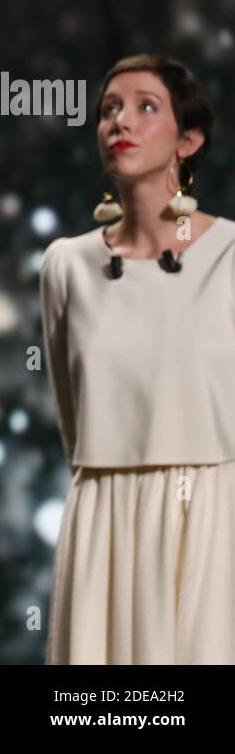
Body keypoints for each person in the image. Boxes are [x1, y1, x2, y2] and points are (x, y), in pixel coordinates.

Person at [40, 54, 235, 664]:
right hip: (103, 516)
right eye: (108, 110)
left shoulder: (230, 253)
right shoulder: (66, 264)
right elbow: (73, 419)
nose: (120, 120)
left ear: (188, 140)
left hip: (209, 517)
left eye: (145, 106)